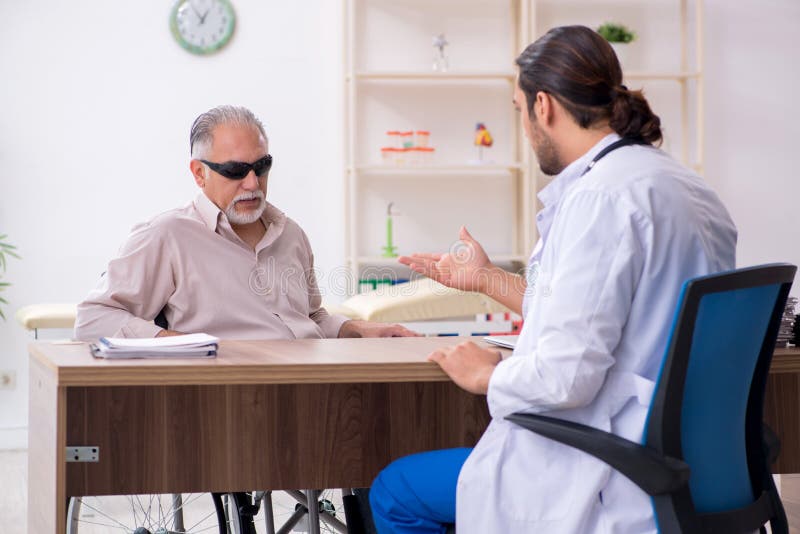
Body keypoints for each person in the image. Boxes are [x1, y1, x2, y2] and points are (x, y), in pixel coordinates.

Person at [368, 25, 737, 533]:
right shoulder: (682, 185)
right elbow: (605, 314)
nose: (523, 126)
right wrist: (487, 279)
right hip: (697, 461)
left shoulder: (601, 199)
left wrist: (487, 374)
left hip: (614, 469)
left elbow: (568, 376)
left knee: (395, 491)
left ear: (543, 106)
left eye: (518, 110)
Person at [75, 105, 415, 341]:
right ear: (199, 173)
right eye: (236, 171)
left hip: (314, 389)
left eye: (262, 166)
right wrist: (169, 341)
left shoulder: (291, 233)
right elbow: (93, 319)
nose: (253, 183)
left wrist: (355, 329)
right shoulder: (166, 236)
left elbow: (310, 320)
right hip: (228, 401)